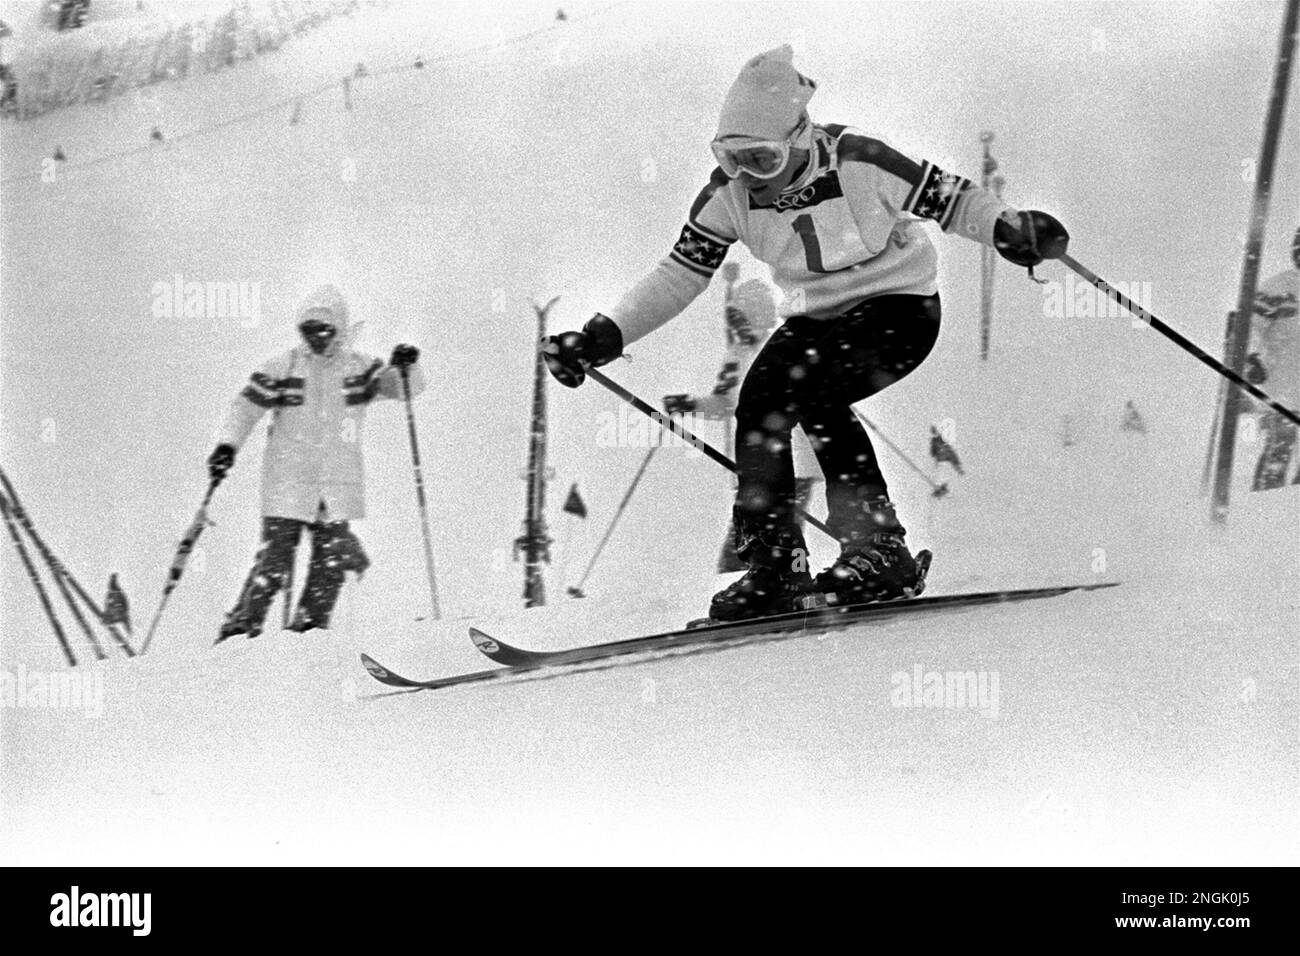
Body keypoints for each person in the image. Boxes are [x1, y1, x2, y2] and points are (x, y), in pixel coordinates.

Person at [543, 46, 1068, 621]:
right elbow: (677, 276)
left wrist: (1008, 228)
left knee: (816, 392)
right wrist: (603, 336)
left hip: (900, 309)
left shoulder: (859, 160)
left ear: (800, 139)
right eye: (732, 158)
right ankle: (776, 566)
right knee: (762, 402)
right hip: (816, 316)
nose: (748, 176)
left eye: (762, 160)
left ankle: (877, 547)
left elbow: (951, 198)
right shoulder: (729, 197)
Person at [208, 285, 424, 641]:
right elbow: (245, 407)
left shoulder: (358, 367)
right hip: (288, 480)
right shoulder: (284, 366)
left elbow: (402, 389)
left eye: (325, 330)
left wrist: (406, 367)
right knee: (274, 560)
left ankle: (307, 631)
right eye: (310, 330)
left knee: (332, 557)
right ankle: (240, 629)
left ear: (339, 328)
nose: (318, 337)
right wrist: (227, 446)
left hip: (335, 484)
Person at [662, 271, 820, 572]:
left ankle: (787, 578)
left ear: (759, 314)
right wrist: (691, 404)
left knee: (777, 530)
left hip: (793, 458)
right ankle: (758, 579)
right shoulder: (736, 357)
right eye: (734, 318)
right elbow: (724, 404)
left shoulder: (784, 346)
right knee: (748, 536)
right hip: (752, 462)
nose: (738, 326)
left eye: (742, 317)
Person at [1248, 226, 1299, 490]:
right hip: (1284, 390)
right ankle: (1263, 513)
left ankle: (1290, 521)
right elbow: (1252, 325)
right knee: (1279, 450)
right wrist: (1252, 357)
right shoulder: (1279, 288)